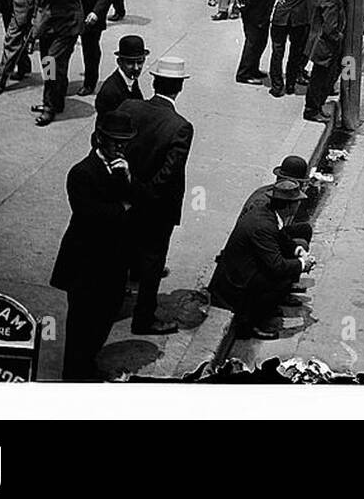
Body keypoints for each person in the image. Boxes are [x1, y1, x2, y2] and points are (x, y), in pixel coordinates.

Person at [49, 108, 140, 380]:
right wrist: (125, 206)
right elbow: (91, 215)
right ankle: (74, 374)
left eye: (125, 141)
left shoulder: (122, 167)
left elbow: (139, 202)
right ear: (100, 139)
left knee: (104, 319)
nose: (121, 146)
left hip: (113, 263)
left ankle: (87, 365)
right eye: (115, 141)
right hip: (85, 266)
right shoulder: (81, 173)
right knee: (81, 326)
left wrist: (128, 180)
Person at [116, 56, 194, 336]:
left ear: (154, 81)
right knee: (152, 263)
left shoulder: (129, 107)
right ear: (180, 87)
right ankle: (144, 318)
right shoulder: (180, 126)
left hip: (124, 198)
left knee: (121, 253)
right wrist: (145, 192)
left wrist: (128, 186)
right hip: (156, 208)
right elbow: (168, 174)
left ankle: (114, 306)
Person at [208, 176, 315, 340]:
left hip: (243, 270)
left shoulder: (267, 213)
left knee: (282, 274)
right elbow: (277, 266)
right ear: (289, 206)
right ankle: (249, 324)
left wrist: (297, 250)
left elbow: (280, 237)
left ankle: (262, 311)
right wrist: (302, 264)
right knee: (281, 280)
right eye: (296, 202)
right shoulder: (263, 225)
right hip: (237, 282)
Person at [34, 0, 83, 127]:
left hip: (67, 23)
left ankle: (49, 107)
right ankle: (56, 101)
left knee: (52, 63)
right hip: (50, 22)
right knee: (51, 65)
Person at [265, 0, 321, 96]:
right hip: (300, 18)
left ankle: (277, 86)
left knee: (277, 51)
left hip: (281, 15)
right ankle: (290, 84)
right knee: (295, 52)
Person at [303, 0, 348, 122]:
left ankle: (314, 107)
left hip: (315, 39)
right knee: (321, 79)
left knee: (318, 77)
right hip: (325, 45)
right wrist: (340, 38)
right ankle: (313, 109)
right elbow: (331, 28)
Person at [96, 34, 148, 117]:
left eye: (140, 62)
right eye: (130, 63)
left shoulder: (131, 78)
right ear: (119, 62)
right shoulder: (110, 91)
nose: (136, 68)